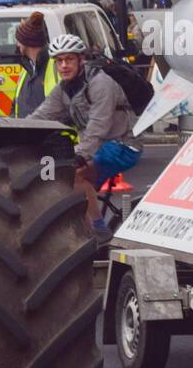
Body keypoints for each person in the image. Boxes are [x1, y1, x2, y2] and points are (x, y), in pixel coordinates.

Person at [29, 33, 142, 241]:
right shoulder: (63, 89)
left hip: (122, 146)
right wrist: (15, 130)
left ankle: (99, 232)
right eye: (59, 61)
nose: (64, 66)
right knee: (62, 181)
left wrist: (81, 155)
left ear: (81, 60)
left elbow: (99, 125)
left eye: (69, 59)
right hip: (99, 148)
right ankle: (85, 228)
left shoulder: (100, 84)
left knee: (76, 174)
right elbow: (40, 116)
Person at [12, 11, 59, 118]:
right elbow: (16, 106)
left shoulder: (56, 66)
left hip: (50, 133)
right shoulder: (26, 69)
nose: (17, 44)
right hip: (27, 132)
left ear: (26, 42)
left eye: (18, 40)